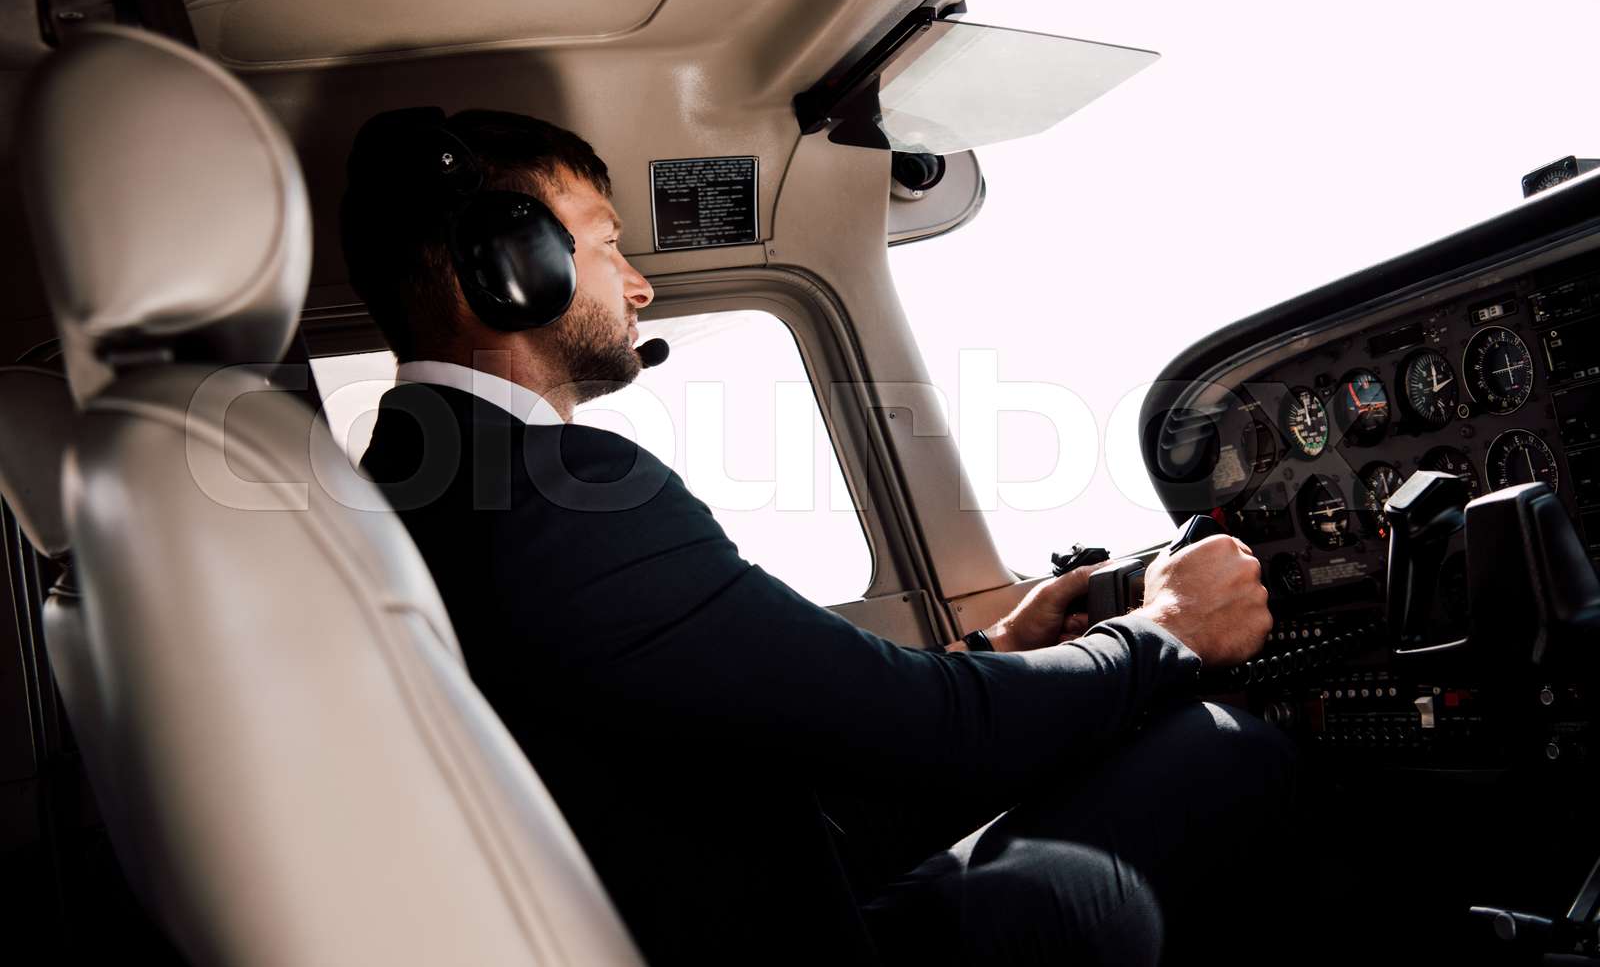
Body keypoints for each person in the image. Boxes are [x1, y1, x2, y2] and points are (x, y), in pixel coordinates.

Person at [341, 108, 1293, 965]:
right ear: (506, 266)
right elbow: (949, 735)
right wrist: (1167, 629)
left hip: (698, 896)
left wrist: (999, 644)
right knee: (1219, 746)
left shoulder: (402, 487)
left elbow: (797, 718)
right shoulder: (556, 492)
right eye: (608, 244)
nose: (639, 287)